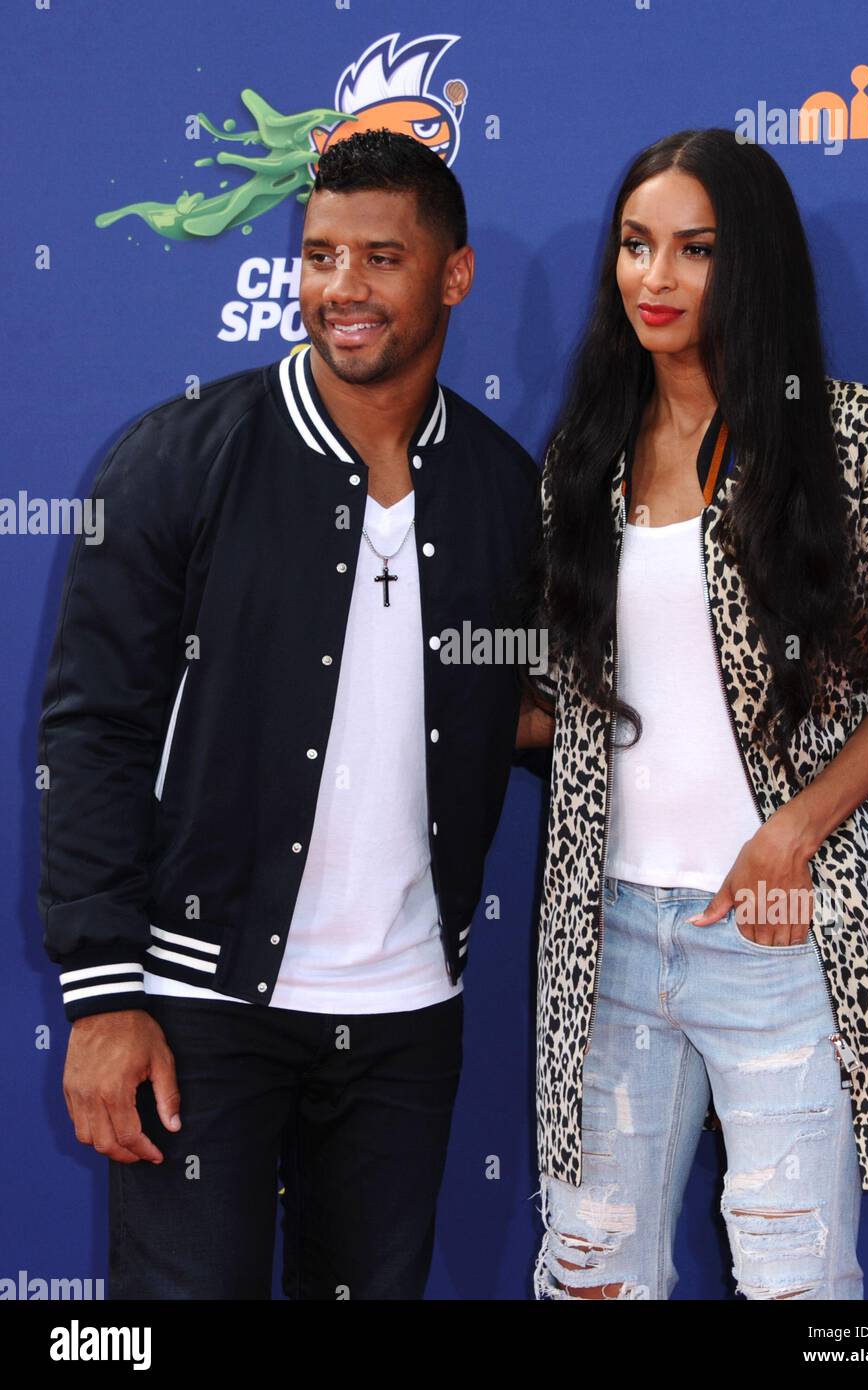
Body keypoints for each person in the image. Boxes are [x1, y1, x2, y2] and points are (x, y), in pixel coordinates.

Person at [38, 129, 540, 1300]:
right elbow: (94, 730)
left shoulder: (506, 489)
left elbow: (532, 706)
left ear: (454, 275)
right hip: (200, 1005)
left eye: (380, 258)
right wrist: (104, 994)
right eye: (320, 256)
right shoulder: (176, 459)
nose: (341, 289)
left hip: (408, 1017)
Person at [517, 128, 868, 1300]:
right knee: (590, 1276)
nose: (654, 277)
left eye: (695, 249)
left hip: (778, 925)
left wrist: (790, 834)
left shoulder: (856, 436)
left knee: (795, 1281)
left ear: (751, 261)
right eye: (635, 245)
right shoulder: (584, 455)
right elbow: (562, 701)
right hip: (609, 935)